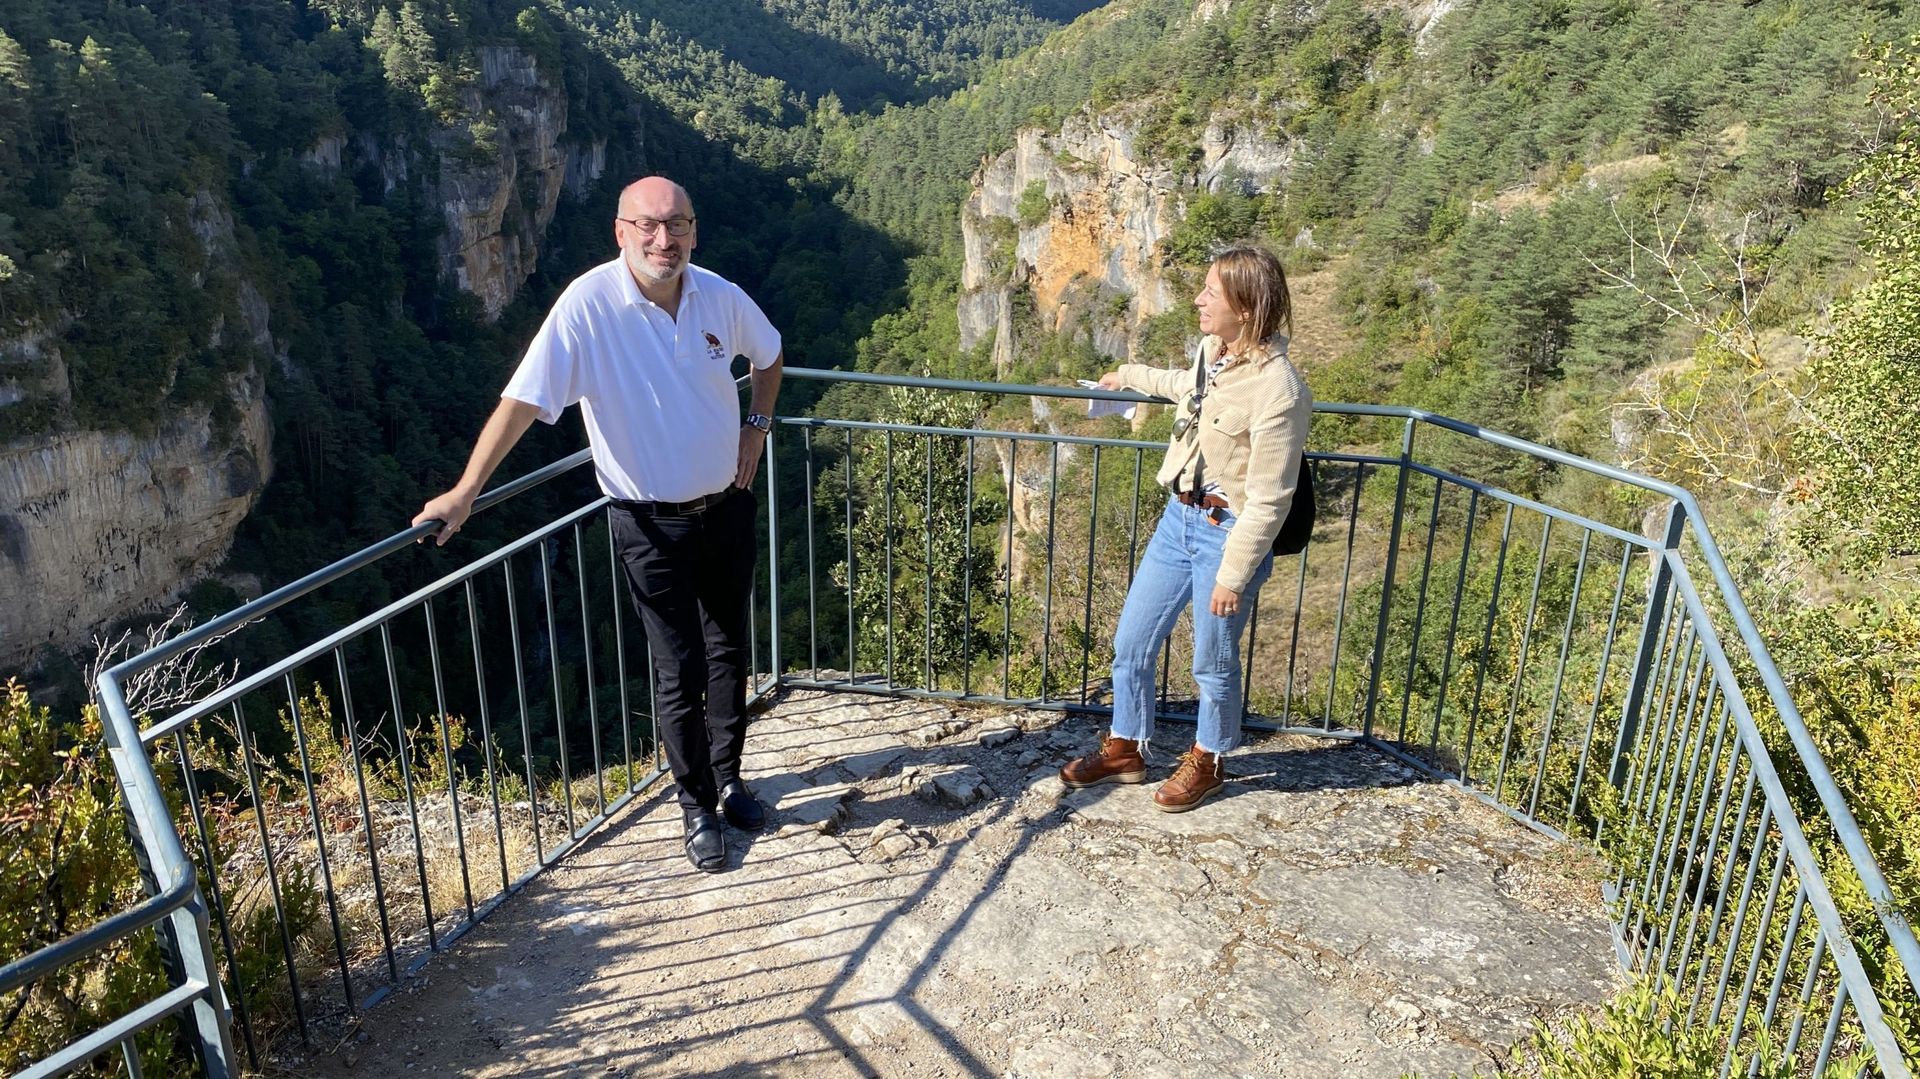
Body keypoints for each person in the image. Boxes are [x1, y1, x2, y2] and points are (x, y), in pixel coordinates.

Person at [414, 176, 783, 873]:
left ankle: (730, 779)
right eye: (646, 225)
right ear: (620, 232)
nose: (662, 239)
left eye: (676, 224)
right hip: (647, 521)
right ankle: (695, 805)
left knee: (729, 649)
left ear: (695, 231)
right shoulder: (587, 306)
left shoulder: (717, 295)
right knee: (679, 668)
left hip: (727, 504)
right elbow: (523, 402)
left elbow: (769, 355)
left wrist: (755, 431)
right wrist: (466, 491)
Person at [1059, 244, 1311, 812]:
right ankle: (1126, 747)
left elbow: (1271, 499)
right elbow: (1186, 386)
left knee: (1211, 658)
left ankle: (1209, 759)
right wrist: (1126, 374)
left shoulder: (1280, 391)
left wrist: (1234, 575)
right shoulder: (1212, 351)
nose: (1198, 300)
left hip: (1229, 533)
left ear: (1245, 309)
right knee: (1132, 640)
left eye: (1211, 293)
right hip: (1180, 518)